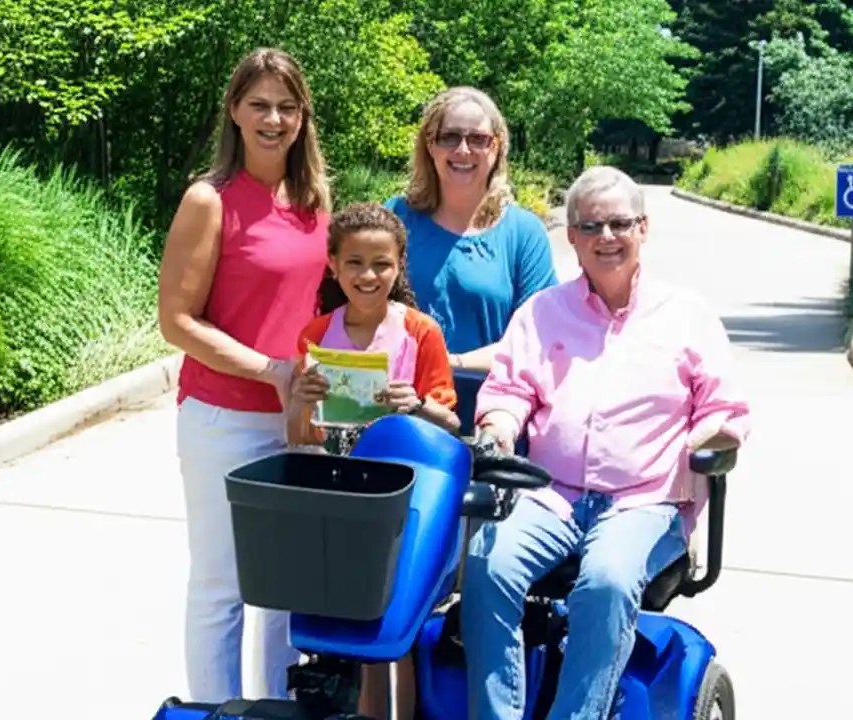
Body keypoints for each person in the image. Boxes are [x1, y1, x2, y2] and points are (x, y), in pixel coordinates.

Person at [460, 166, 752, 720]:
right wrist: (497, 427)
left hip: (644, 500)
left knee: (606, 582)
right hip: (552, 495)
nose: (607, 238)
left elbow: (723, 407)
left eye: (620, 223)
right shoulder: (543, 313)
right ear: (571, 236)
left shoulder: (685, 314)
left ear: (644, 227)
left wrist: (712, 439)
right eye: (591, 226)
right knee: (486, 566)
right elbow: (509, 390)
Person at [156, 47, 331, 704]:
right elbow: (176, 320)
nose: (273, 118)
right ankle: (213, 712)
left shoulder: (315, 200)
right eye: (258, 104)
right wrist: (271, 370)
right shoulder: (210, 200)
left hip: (297, 419)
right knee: (222, 587)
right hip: (223, 419)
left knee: (286, 590)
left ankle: (277, 711)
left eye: (287, 106)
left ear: (302, 116)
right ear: (233, 111)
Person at [286, 202, 458, 720]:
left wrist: (418, 406)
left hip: (405, 499)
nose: (368, 275)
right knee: (346, 626)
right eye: (355, 262)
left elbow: (451, 426)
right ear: (333, 266)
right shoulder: (317, 333)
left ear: (400, 265)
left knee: (397, 626)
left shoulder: (420, 332)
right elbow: (299, 436)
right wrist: (300, 398)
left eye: (381, 264)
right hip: (339, 496)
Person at [385, 87, 558, 373]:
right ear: (430, 145)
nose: (463, 150)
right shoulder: (396, 218)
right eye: (449, 137)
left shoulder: (524, 234)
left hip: (492, 408)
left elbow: (537, 338)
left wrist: (447, 364)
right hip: (400, 408)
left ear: (497, 146)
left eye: (478, 139)